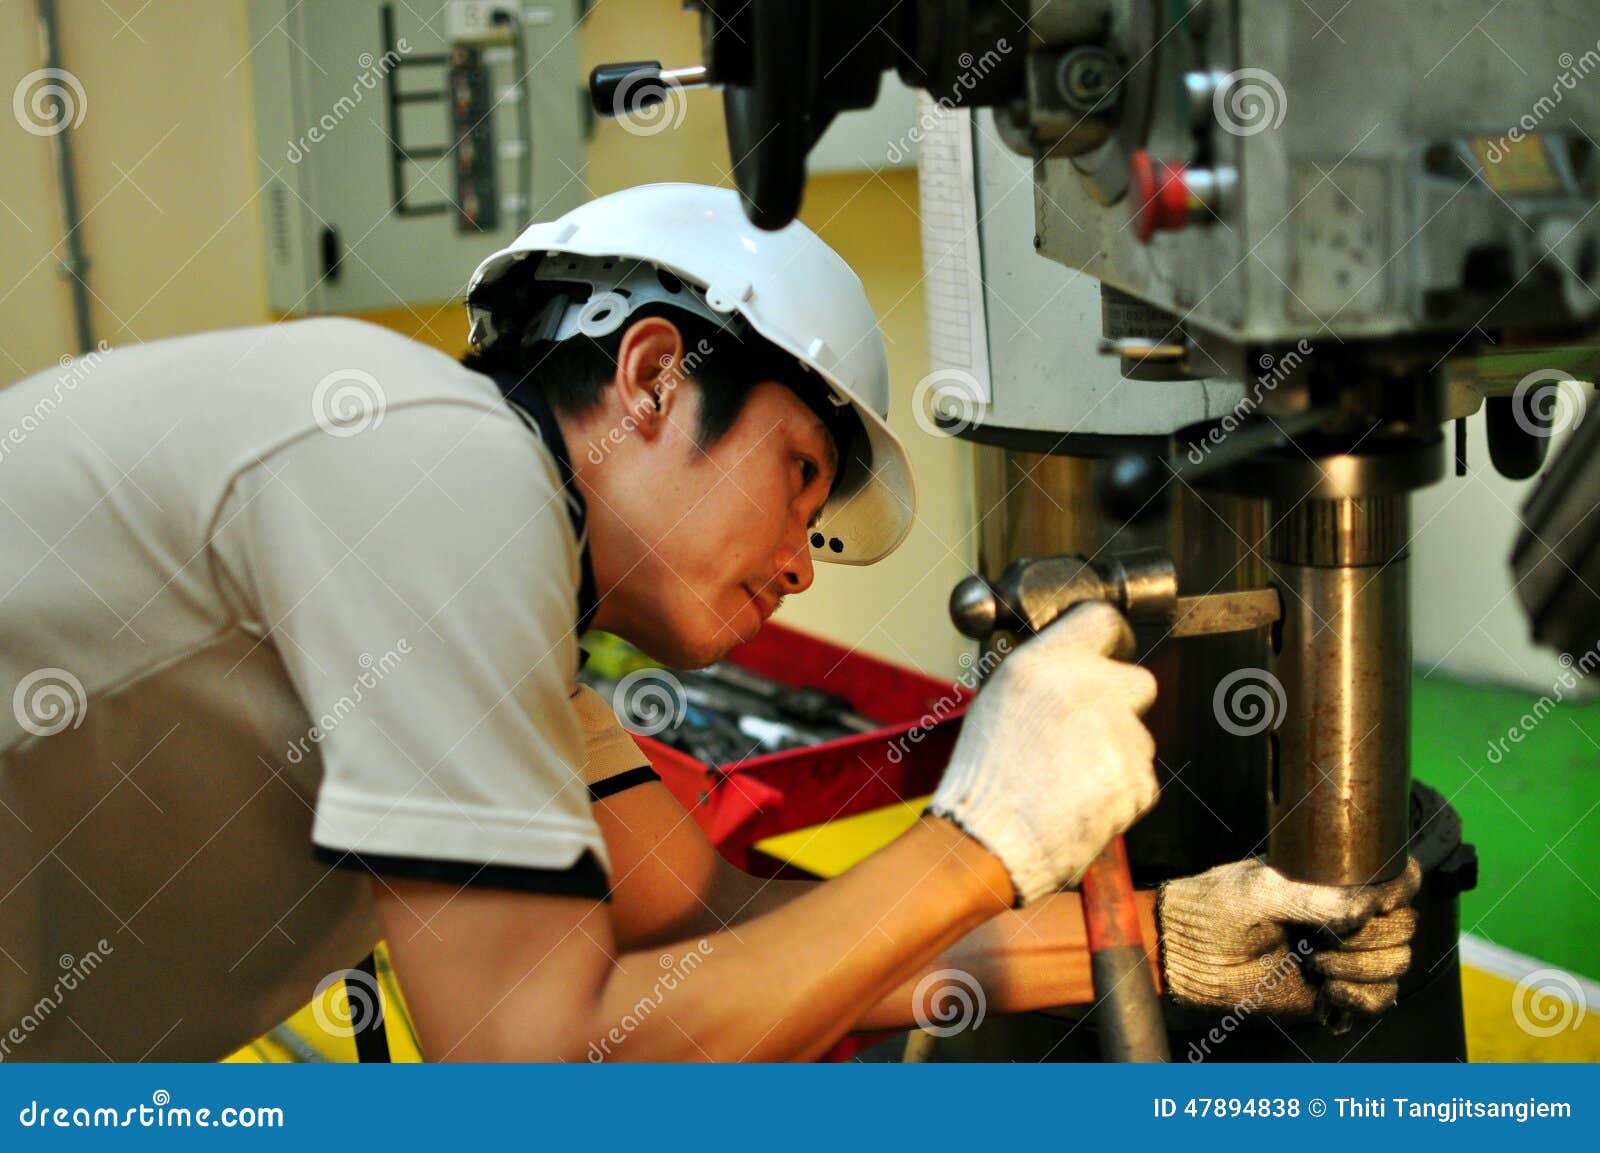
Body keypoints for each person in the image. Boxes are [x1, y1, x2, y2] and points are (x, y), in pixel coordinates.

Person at [0, 183, 1418, 1062]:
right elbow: (540, 1074)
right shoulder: (432, 463)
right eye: (803, 476)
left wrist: (1165, 936)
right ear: (654, 375)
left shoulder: (494, 594)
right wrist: (972, 838)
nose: (803, 562)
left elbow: (731, 930)